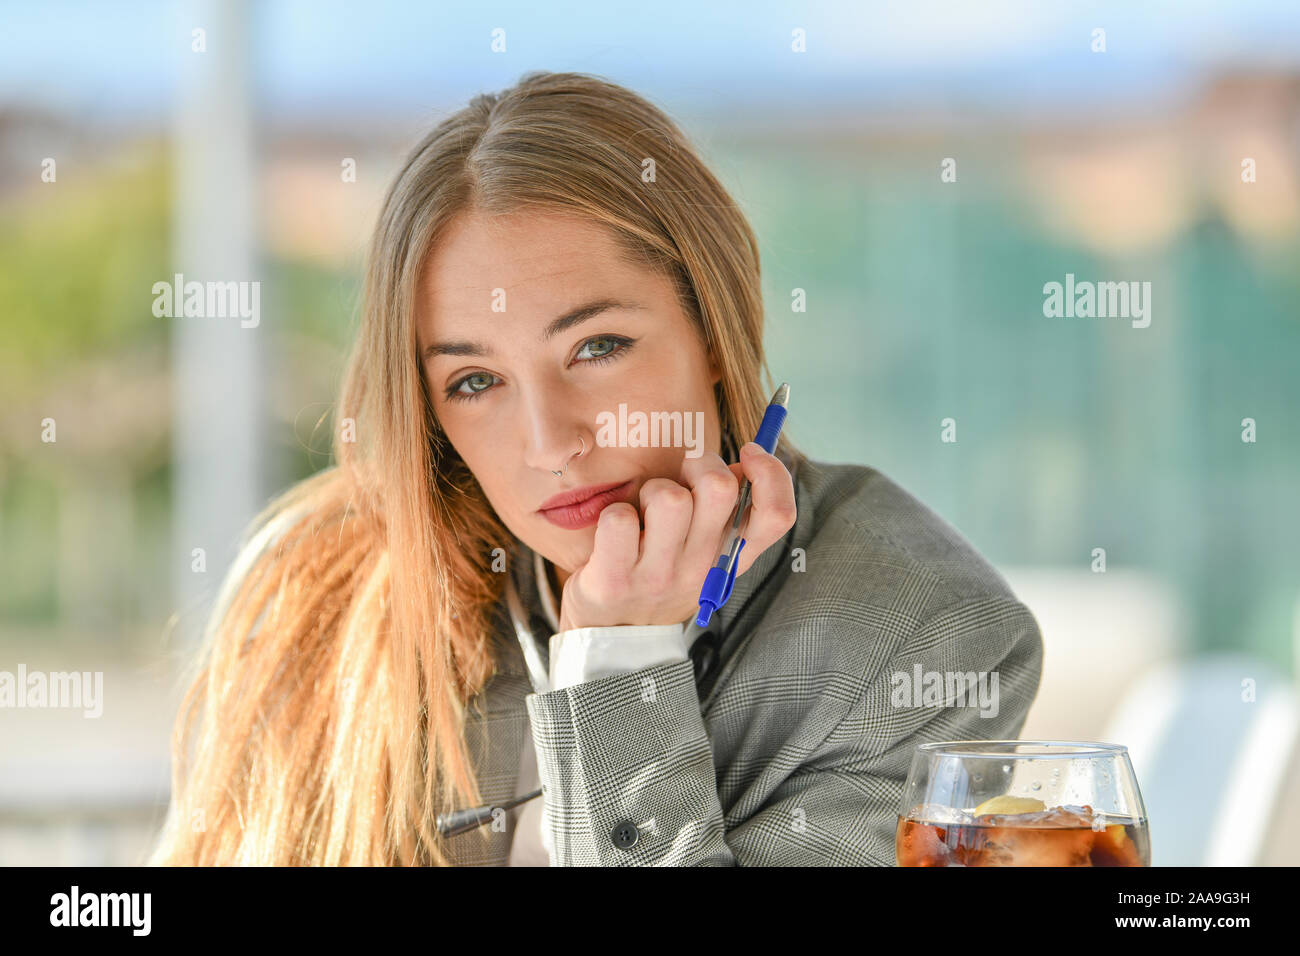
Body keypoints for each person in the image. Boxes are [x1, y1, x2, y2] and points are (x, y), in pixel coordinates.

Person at [149, 70, 1043, 866]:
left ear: (718, 333)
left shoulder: (928, 640)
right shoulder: (310, 590)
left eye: (597, 345)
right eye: (475, 380)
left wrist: (618, 669)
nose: (549, 442)